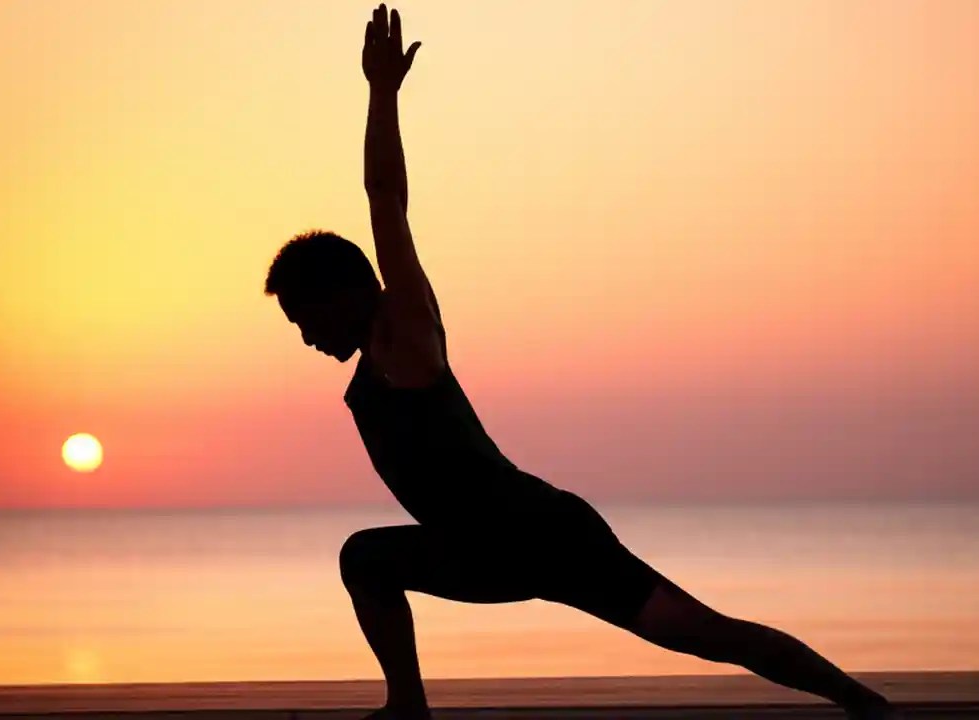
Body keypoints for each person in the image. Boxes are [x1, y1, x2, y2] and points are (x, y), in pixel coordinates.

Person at [263, 5, 893, 719]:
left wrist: (381, 94)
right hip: (479, 549)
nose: (306, 337)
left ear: (346, 291)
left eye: (305, 318)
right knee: (365, 558)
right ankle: (408, 708)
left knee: (702, 634)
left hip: (544, 535)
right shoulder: (372, 365)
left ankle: (862, 701)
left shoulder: (402, 330)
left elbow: (387, 203)